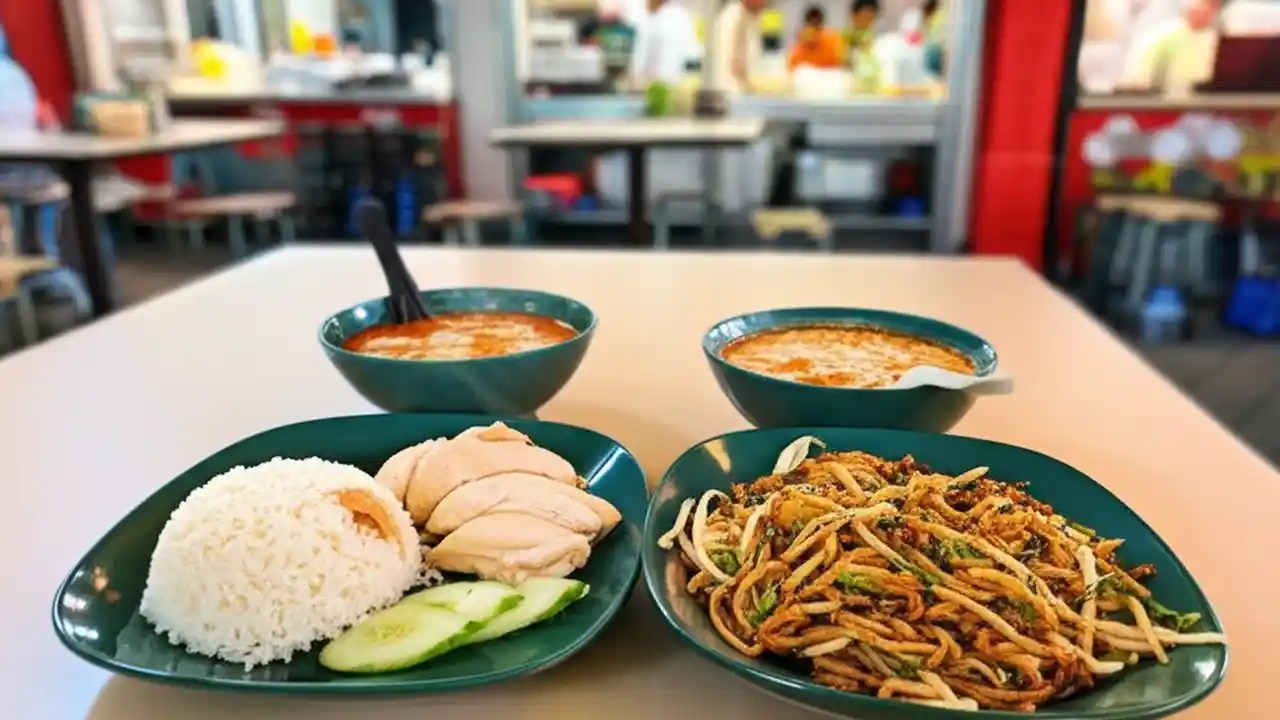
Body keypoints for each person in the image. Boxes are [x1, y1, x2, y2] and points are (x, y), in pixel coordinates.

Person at [1121, 0, 1222, 95]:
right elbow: (1137, 81)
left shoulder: (1214, 40)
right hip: (1165, 106)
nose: (1205, 9)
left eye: (1212, 5)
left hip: (1207, 104)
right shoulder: (1158, 38)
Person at [630, 0, 698, 86]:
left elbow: (692, 57)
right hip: (647, 85)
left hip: (669, 85)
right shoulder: (643, 16)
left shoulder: (675, 17)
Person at [711, 0, 767, 93]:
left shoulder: (747, 16)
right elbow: (736, 65)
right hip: (730, 92)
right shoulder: (735, 15)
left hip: (733, 91)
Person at [788, 5, 844, 71]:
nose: (814, 30)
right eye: (811, 25)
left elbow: (840, 65)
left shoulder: (832, 39)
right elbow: (793, 67)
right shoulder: (801, 43)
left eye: (816, 25)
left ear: (822, 26)